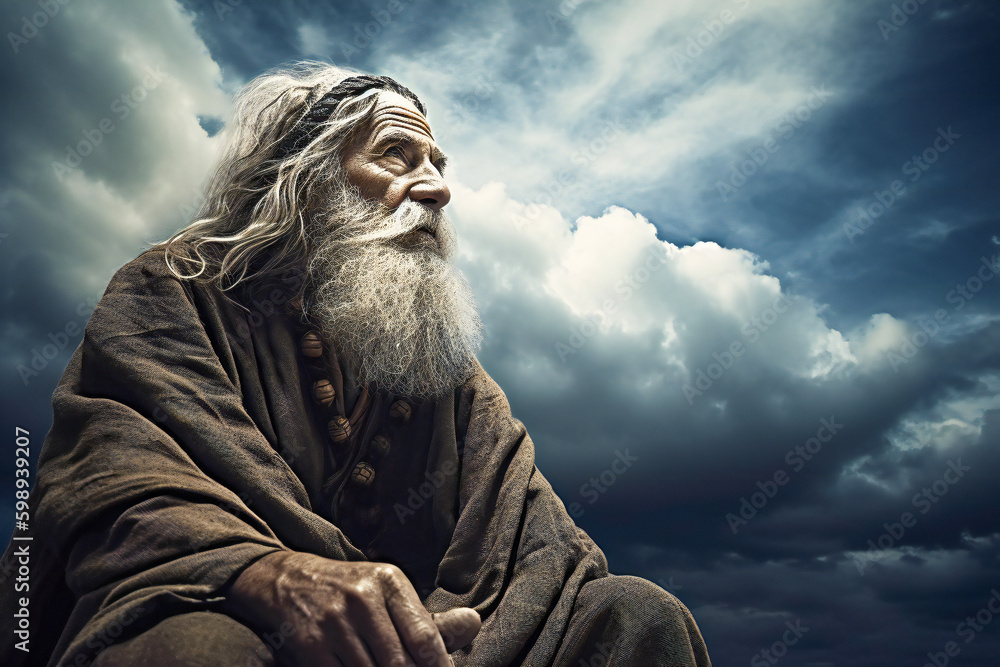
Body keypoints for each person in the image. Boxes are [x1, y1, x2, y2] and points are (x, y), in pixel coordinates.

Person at [0, 61, 712, 667]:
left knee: (636, 615)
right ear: (307, 183)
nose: (436, 187)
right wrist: (267, 573)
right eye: (397, 155)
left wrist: (425, 636)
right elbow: (113, 482)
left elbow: (543, 548)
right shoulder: (173, 291)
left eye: (437, 165)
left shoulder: (451, 377)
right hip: (222, 610)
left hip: (430, 646)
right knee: (197, 647)